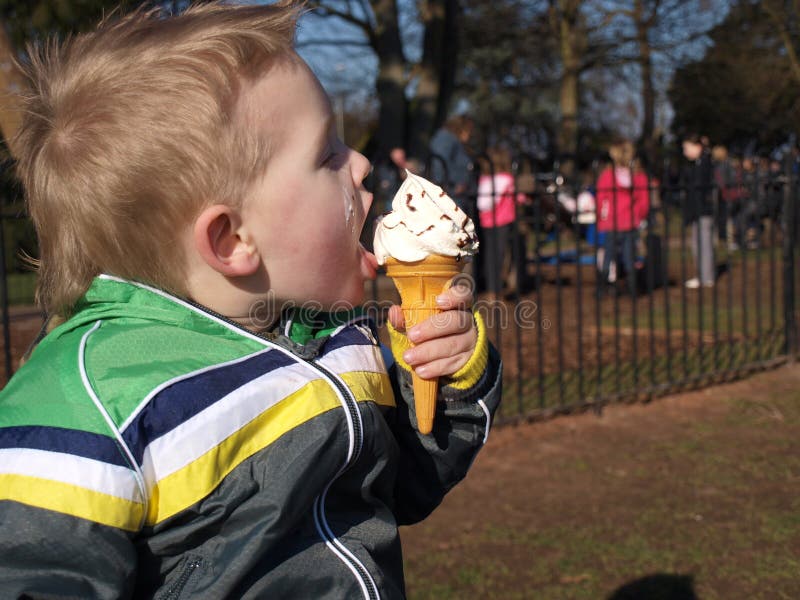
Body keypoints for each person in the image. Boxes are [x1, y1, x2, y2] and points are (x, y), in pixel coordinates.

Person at [0, 3, 501, 598]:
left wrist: (451, 376)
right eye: (327, 154)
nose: (361, 163)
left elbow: (408, 485)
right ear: (232, 240)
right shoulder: (87, 401)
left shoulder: (342, 341)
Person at [595, 139, 650, 295]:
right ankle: (632, 289)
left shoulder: (607, 176)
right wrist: (639, 216)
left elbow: (601, 198)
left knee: (608, 256)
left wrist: (601, 216)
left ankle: (602, 288)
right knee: (629, 256)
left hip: (612, 222)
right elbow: (644, 201)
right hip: (630, 222)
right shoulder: (639, 176)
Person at [476, 147, 524, 300]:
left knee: (489, 256)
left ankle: (491, 290)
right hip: (502, 221)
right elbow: (518, 198)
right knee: (500, 255)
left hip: (486, 222)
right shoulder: (507, 179)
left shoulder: (484, 179)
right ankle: (497, 291)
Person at [681, 133, 715, 288]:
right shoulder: (697, 164)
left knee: (703, 243)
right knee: (697, 243)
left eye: (687, 147)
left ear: (698, 147)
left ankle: (706, 277)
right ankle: (702, 275)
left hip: (703, 210)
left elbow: (700, 187)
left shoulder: (705, 163)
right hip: (697, 210)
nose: (685, 152)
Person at [428, 113, 474, 211]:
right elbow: (439, 163)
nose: (470, 133)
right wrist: (448, 187)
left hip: (458, 194)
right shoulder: (446, 138)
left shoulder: (453, 140)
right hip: (451, 195)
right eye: (469, 129)